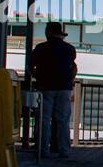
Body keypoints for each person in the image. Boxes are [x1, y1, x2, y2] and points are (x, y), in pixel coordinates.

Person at [29, 22, 78, 158]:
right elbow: (74, 67)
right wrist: (71, 80)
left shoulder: (40, 48)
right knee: (63, 120)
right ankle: (64, 150)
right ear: (60, 34)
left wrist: (37, 76)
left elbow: (30, 67)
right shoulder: (69, 49)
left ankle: (42, 150)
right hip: (64, 88)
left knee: (43, 120)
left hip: (44, 87)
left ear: (48, 32)